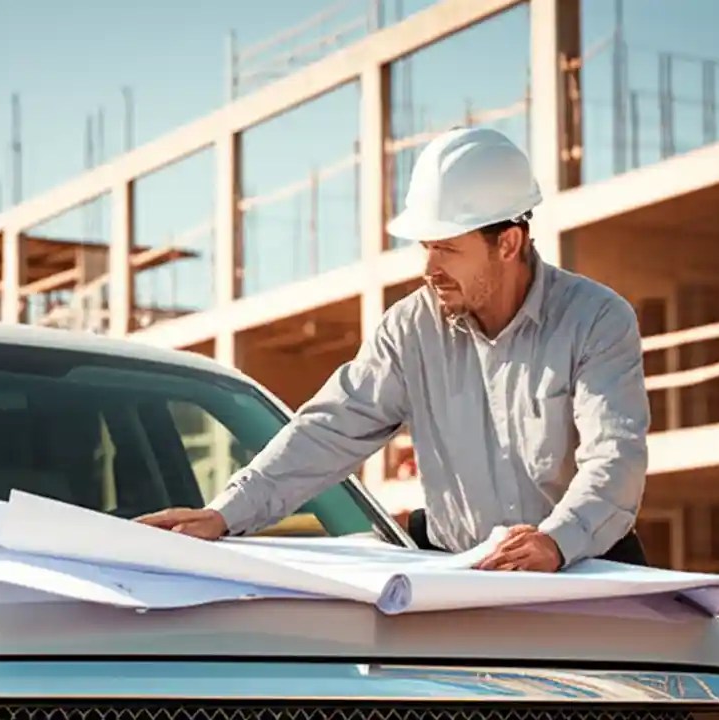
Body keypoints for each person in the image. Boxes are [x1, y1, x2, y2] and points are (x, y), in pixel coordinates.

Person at [136, 126, 651, 572]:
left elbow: (614, 459)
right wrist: (225, 513)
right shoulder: (410, 329)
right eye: (426, 247)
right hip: (465, 581)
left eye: (446, 249)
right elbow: (327, 431)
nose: (429, 270)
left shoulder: (596, 320)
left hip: (585, 575)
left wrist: (555, 543)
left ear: (509, 243)